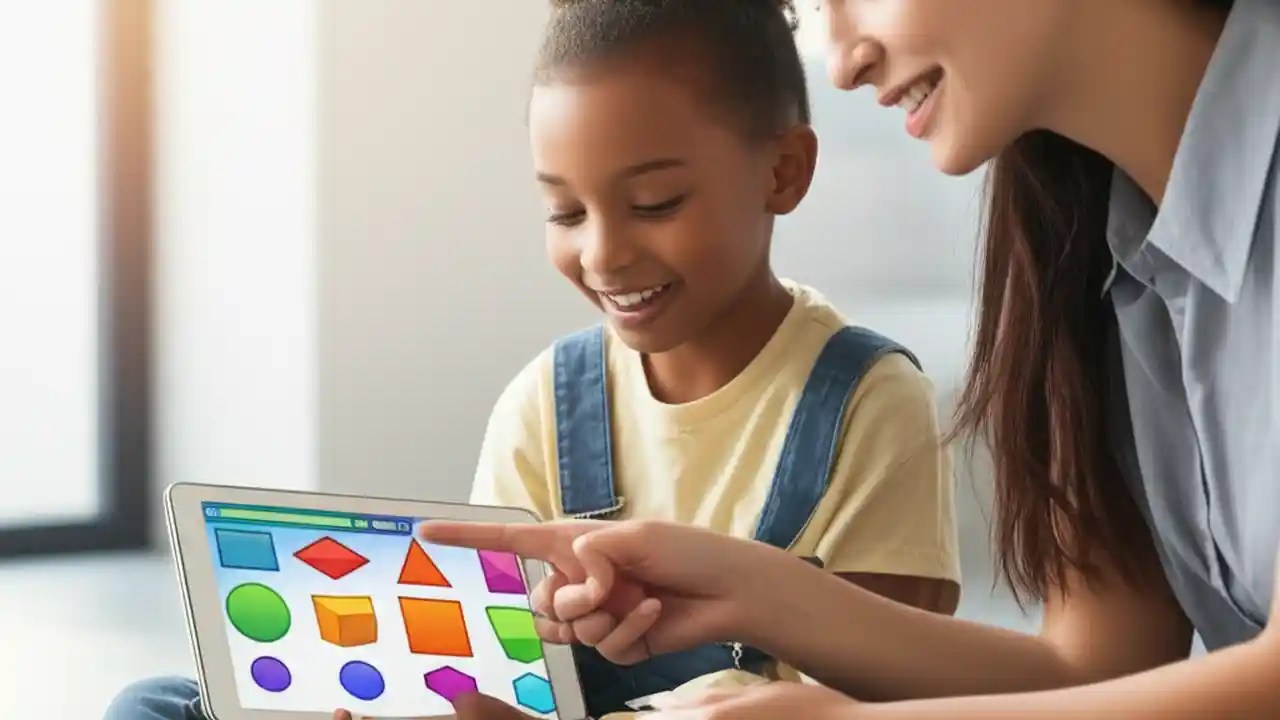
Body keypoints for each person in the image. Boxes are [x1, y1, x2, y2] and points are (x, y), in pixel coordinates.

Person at [411, 0, 1280, 717]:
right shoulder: (1086, 258)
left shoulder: (867, 391)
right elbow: (1098, 681)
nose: (841, 60)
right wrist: (755, 593)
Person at [104, 1, 962, 718]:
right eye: (564, 213)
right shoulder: (548, 402)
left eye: (654, 202)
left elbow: (890, 695)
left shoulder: (866, 403)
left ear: (783, 171)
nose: (604, 255)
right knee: (160, 703)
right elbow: (500, 664)